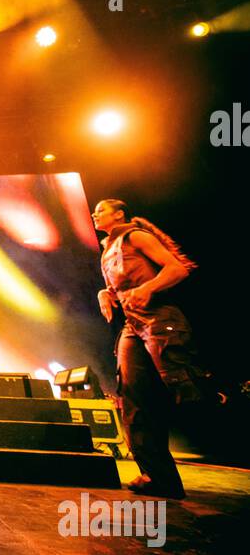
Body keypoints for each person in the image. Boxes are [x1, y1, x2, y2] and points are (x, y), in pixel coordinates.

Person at [92, 198, 209, 499]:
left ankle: (222, 406)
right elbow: (118, 286)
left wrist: (148, 289)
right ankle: (159, 476)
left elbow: (177, 269)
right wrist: (105, 293)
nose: (95, 214)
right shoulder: (108, 249)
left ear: (119, 214)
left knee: (183, 388)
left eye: (101, 210)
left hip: (160, 318)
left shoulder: (135, 236)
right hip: (133, 325)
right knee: (133, 396)